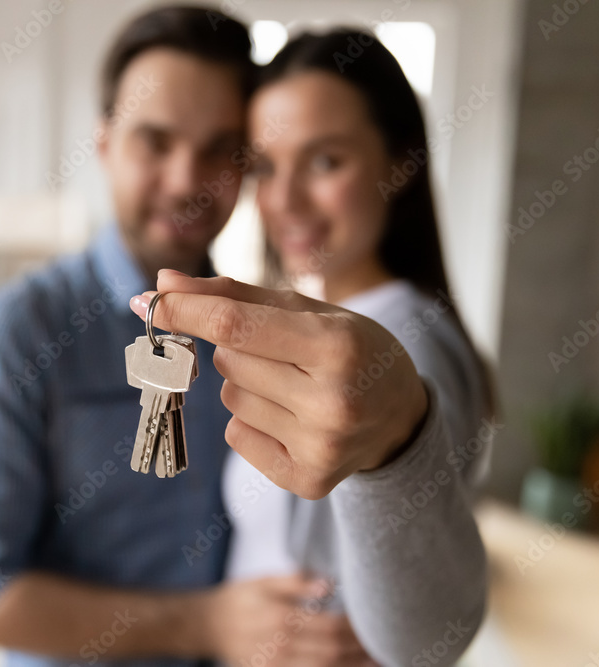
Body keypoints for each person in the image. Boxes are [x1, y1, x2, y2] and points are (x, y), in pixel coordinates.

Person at [0, 7, 356, 667]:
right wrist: (206, 624)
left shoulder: (259, 332)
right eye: (155, 140)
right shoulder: (12, 337)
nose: (184, 180)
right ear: (103, 144)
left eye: (218, 150)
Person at [129, 30, 496, 666]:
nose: (286, 200)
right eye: (266, 167)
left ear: (400, 164)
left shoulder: (408, 344)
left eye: (326, 162)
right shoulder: (313, 322)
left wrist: (394, 449)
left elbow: (426, 640)